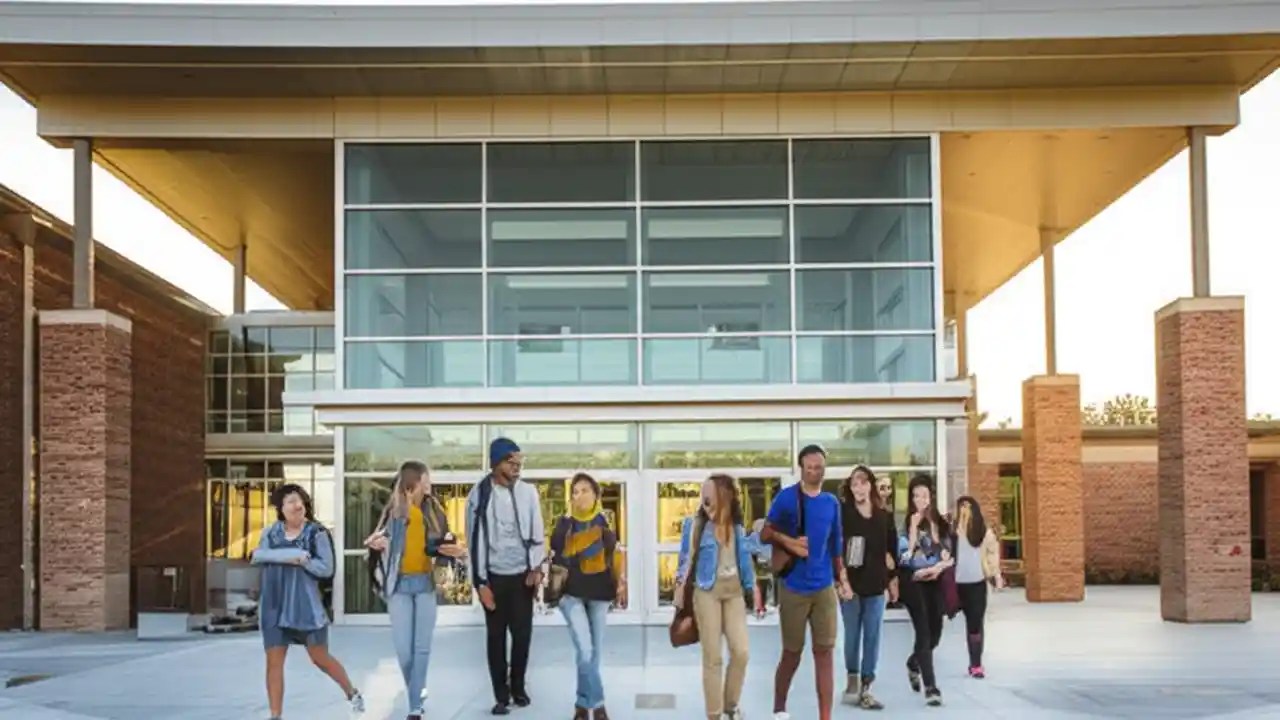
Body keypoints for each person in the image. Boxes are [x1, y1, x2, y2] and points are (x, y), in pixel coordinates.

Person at [363, 461, 466, 719]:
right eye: (426, 478)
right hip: (398, 586)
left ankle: (415, 706)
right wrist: (377, 544)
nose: (429, 483)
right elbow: (378, 541)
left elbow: (442, 542)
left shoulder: (434, 510)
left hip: (424, 584)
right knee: (404, 649)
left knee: (422, 648)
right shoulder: (393, 512)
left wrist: (451, 550)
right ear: (415, 481)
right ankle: (417, 691)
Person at [252, 483, 363, 720]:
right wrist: (289, 556)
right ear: (281, 508)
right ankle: (275, 715)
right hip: (274, 606)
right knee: (274, 663)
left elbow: (327, 568)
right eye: (290, 501)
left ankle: (351, 692)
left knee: (320, 658)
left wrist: (304, 561)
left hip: (306, 608)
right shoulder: (270, 534)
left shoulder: (316, 534)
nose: (297, 505)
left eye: (300, 500)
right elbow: (258, 556)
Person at [761, 445, 851, 720]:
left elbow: (836, 545)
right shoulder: (787, 499)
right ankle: (779, 707)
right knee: (792, 652)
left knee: (824, 653)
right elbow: (765, 532)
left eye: (819, 467)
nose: (815, 471)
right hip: (793, 588)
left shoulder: (831, 503)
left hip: (823, 588)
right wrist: (789, 542)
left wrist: (841, 579)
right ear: (802, 469)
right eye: (810, 467)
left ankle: (825, 715)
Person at [467, 438, 547, 716]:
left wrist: (536, 569)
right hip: (494, 578)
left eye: (519, 463)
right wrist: (480, 583)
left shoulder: (529, 493)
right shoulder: (479, 494)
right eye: (511, 463)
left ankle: (518, 688)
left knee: (523, 636)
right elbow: (473, 540)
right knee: (496, 638)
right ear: (496, 463)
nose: (516, 468)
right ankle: (500, 695)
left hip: (522, 576)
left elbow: (538, 533)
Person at [676, 473, 756, 720]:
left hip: (734, 595)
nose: (704, 496)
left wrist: (753, 589)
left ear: (725, 495)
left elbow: (745, 562)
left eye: (709, 492)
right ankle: (715, 714)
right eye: (703, 493)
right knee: (713, 657)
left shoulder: (738, 527)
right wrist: (680, 586)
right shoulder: (695, 526)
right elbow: (684, 561)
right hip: (706, 592)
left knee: (741, 652)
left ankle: (731, 706)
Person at [549, 472, 627, 720]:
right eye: (575, 492)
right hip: (570, 594)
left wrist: (621, 584)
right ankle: (599, 703)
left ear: (596, 495)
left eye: (584, 490)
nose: (579, 496)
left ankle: (582, 704)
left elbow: (613, 555)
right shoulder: (564, 523)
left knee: (594, 652)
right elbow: (555, 549)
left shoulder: (605, 522)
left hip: (600, 593)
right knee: (585, 649)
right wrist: (567, 522)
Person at [837, 465, 899, 710]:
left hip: (875, 585)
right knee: (852, 634)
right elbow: (837, 549)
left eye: (863, 483)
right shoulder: (844, 513)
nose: (859, 488)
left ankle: (867, 684)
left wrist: (892, 580)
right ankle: (852, 678)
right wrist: (842, 581)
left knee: (872, 636)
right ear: (850, 488)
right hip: (850, 586)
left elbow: (891, 551)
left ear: (871, 485)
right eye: (854, 484)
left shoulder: (884, 516)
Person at [897, 476, 953, 708]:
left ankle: (913, 662)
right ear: (911, 499)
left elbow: (949, 555)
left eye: (925, 496)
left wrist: (937, 567)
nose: (921, 500)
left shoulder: (940, 523)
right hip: (914, 583)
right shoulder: (905, 525)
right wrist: (912, 529)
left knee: (936, 633)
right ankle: (931, 687)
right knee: (923, 632)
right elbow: (905, 558)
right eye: (916, 496)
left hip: (934, 580)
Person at [952, 495, 1004, 679]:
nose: (964, 511)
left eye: (968, 506)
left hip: (976, 585)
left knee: (975, 625)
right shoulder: (953, 532)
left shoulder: (983, 533)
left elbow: (992, 554)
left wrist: (996, 575)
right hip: (955, 585)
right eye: (961, 507)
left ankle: (976, 664)